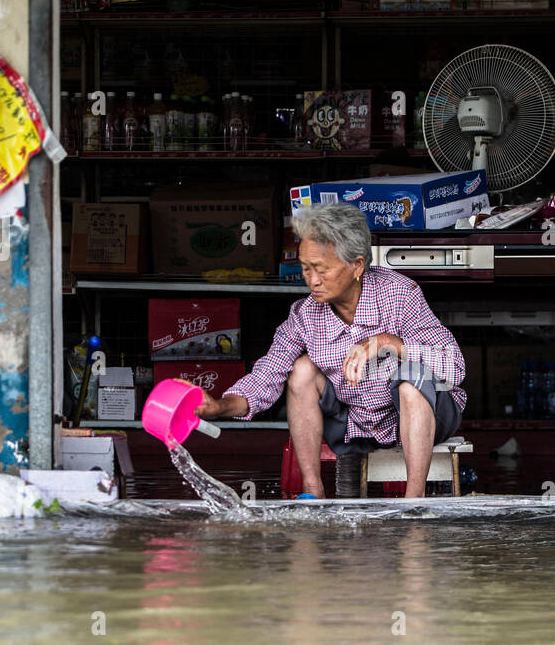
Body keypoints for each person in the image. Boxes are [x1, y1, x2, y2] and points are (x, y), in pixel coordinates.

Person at [191, 203, 465, 498]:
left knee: (412, 377)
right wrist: (219, 406)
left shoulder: (400, 294)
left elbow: (454, 367)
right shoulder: (304, 315)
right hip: (357, 424)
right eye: (305, 269)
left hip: (423, 418)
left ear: (357, 266)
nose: (312, 280)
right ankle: (313, 491)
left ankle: (414, 499)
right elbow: (267, 374)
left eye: (321, 269)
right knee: (302, 370)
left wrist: (388, 343)